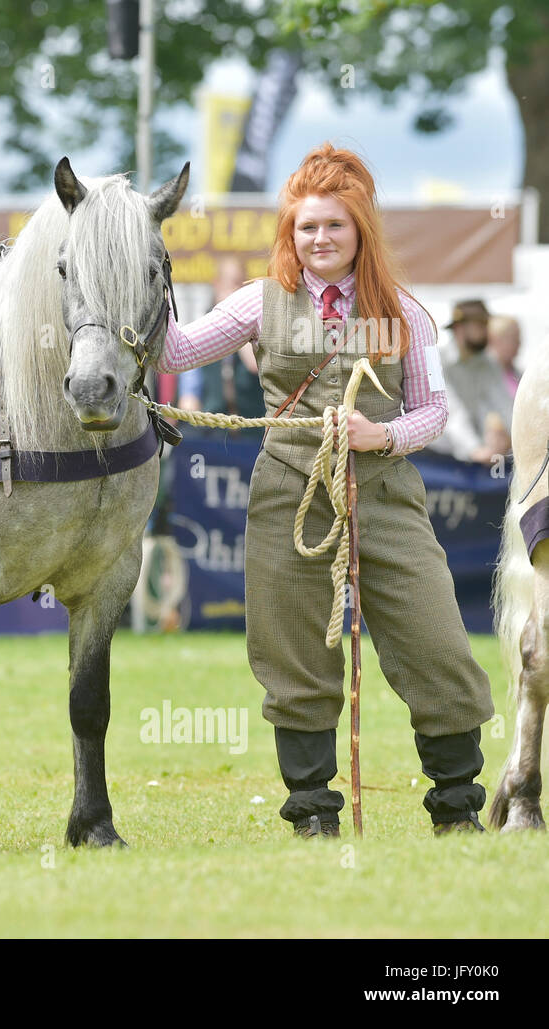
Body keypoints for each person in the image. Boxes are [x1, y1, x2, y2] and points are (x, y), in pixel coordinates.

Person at [157, 143, 493, 837]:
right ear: (290, 230)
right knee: (294, 653)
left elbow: (433, 412)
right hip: (290, 491)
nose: (319, 238)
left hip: (386, 491)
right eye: (306, 225)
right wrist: (142, 275)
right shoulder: (260, 300)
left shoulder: (403, 310)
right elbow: (177, 352)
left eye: (334, 224)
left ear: (360, 228)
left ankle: (457, 807)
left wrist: (384, 435)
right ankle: (312, 812)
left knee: (436, 642)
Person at [176, 255, 265, 439]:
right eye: (231, 284)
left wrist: (239, 323)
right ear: (217, 285)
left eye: (241, 286)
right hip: (212, 423)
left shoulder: (257, 321)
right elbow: (190, 377)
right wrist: (189, 397)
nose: (237, 292)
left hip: (252, 423)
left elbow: (254, 365)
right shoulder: (204, 323)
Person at [426, 299, 513, 463]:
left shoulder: (488, 363)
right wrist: (474, 449)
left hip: (473, 457)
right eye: (479, 324)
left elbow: (504, 405)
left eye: (486, 324)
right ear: (459, 328)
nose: (486, 331)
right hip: (434, 460)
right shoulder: (433, 361)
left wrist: (513, 436)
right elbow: (449, 411)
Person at [487, 314, 522, 400]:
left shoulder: (519, 374)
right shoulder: (483, 375)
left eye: (518, 337)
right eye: (513, 338)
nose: (519, 343)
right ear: (496, 340)